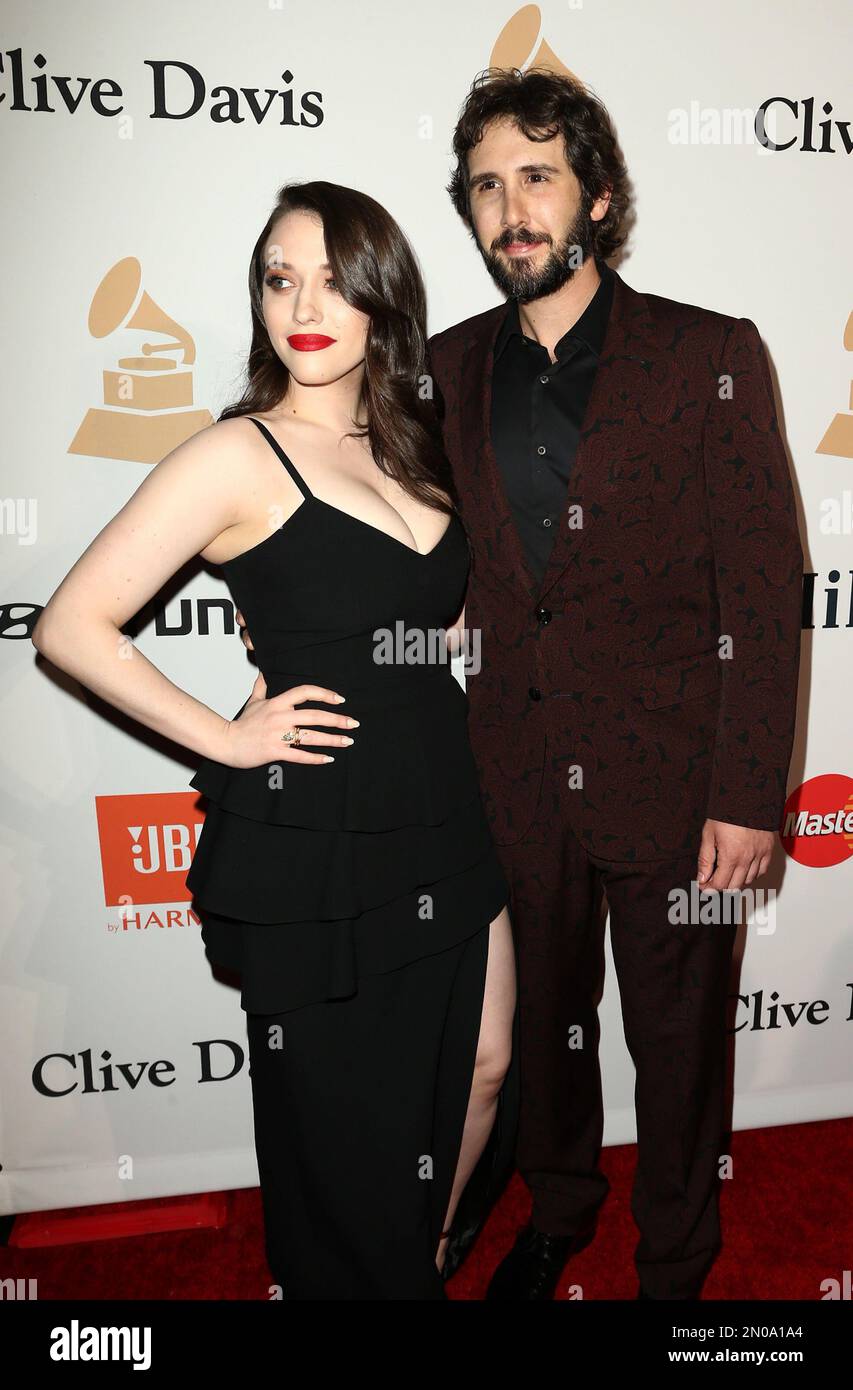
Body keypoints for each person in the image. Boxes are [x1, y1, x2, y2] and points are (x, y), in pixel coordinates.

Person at [243, 69, 804, 1301]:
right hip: (503, 774)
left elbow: (767, 589)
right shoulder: (441, 370)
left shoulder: (710, 354)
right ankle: (557, 1209)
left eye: (537, 176)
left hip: (678, 784)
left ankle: (674, 1262)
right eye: (487, 186)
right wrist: (279, 657)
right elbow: (358, 532)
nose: (512, 208)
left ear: (595, 198)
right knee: (543, 1035)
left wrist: (750, 794)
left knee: (677, 1044)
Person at [30, 180, 520, 1300]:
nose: (304, 302)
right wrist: (227, 736)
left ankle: (418, 1262)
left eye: (335, 279)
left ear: (381, 300)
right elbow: (71, 626)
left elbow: (441, 621)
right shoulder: (237, 456)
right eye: (278, 276)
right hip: (326, 834)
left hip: (445, 802)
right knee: (346, 1123)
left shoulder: (415, 440)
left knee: (483, 1068)